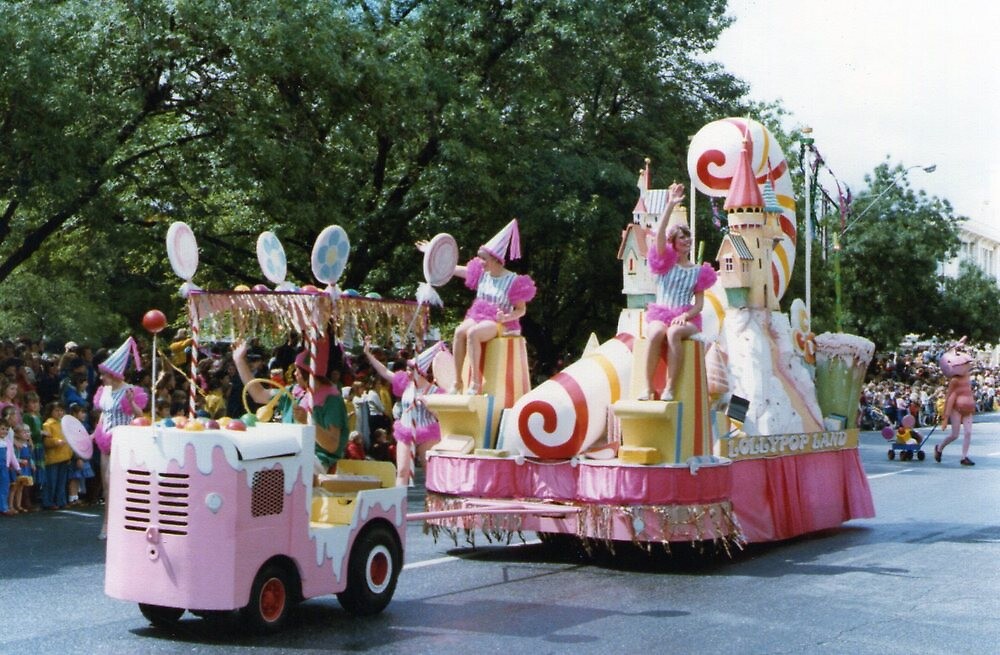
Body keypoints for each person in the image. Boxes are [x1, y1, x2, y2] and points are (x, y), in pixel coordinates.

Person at [419, 219, 536, 394]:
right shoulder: (482, 274)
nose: (480, 261)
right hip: (478, 314)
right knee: (459, 332)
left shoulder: (513, 281)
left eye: (484, 258)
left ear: (495, 260)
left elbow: (521, 309)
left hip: (499, 320)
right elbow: (451, 269)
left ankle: (475, 383)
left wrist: (507, 317)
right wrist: (432, 251)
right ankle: (458, 381)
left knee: (473, 334)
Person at [640, 183, 718, 401]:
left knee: (674, 333)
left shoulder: (698, 271)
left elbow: (699, 305)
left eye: (688, 237)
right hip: (662, 312)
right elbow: (658, 239)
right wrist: (671, 204)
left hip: (685, 316)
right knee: (656, 332)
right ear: (673, 242)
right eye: (681, 237)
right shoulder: (666, 263)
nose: (686, 240)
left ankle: (671, 387)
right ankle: (646, 387)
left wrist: (685, 315)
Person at [234, 335, 349, 475]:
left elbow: (332, 445)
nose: (295, 374)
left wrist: (308, 421)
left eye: (298, 371)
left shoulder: (331, 400)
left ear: (309, 374)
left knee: (281, 470)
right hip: (290, 452)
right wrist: (239, 360)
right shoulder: (293, 393)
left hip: (317, 461)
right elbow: (259, 395)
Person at [363, 338, 443, 486]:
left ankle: (431, 506)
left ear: (420, 371)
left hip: (427, 432)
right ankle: (398, 504)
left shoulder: (435, 391)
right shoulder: (405, 383)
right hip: (406, 431)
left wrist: (429, 405)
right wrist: (368, 355)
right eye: (408, 368)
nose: (407, 371)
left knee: (431, 472)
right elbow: (385, 372)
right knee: (402, 471)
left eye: (411, 369)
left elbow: (443, 417)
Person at [92, 337, 149, 538]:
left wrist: (132, 403)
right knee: (107, 484)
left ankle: (124, 523)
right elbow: (103, 414)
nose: (102, 379)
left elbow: (140, 416)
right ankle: (107, 524)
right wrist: (95, 432)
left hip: (122, 440)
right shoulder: (104, 391)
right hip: (105, 439)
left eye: (104, 375)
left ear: (114, 375)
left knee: (119, 482)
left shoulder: (130, 390)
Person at [935, 341, 976, 466]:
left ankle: (964, 456)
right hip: (956, 409)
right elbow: (950, 398)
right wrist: (945, 417)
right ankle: (940, 448)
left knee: (968, 432)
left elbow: (962, 357)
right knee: (954, 434)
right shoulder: (954, 381)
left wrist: (959, 347)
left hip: (968, 408)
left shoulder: (967, 375)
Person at [41, 401, 72, 509]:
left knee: (61, 481)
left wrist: (69, 454)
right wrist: (55, 442)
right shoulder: (48, 424)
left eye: (61, 410)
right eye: (57, 410)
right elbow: (46, 441)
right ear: (51, 411)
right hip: (53, 457)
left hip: (64, 456)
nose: (59, 413)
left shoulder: (64, 424)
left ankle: (61, 501)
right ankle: (48, 501)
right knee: (51, 481)